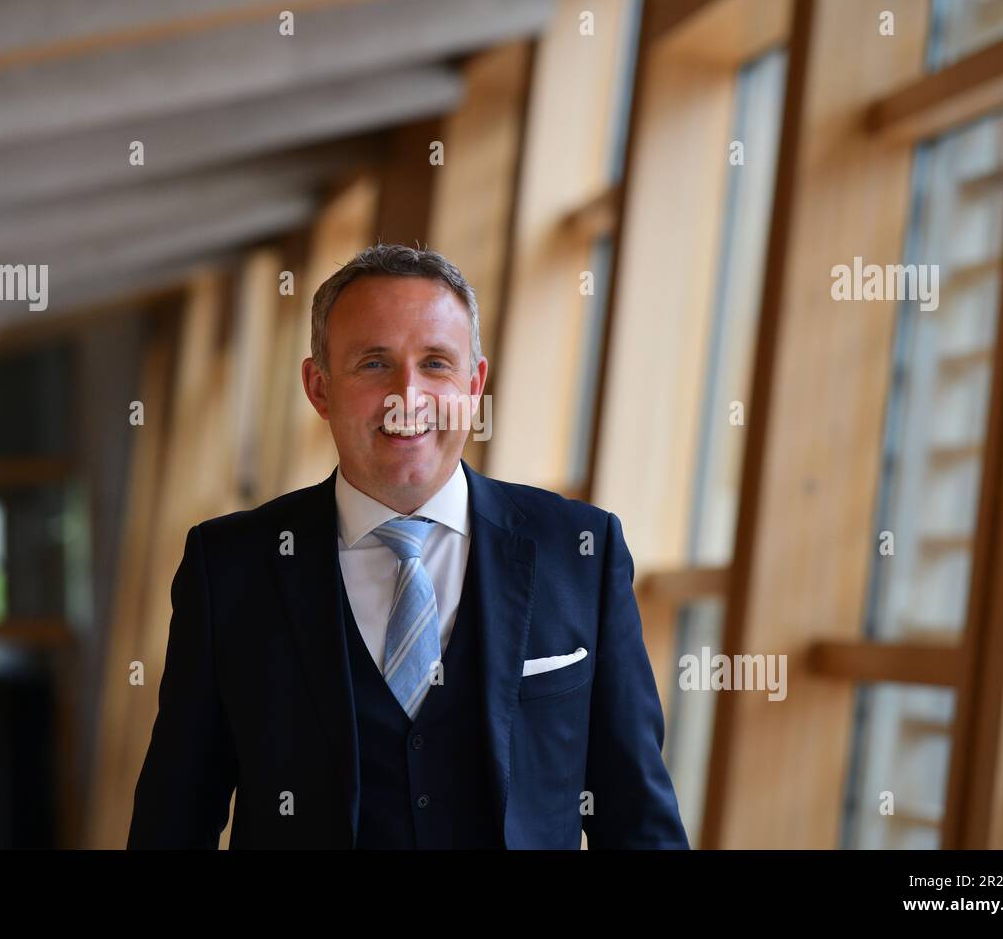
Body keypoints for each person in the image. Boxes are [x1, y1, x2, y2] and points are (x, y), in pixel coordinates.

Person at [127, 243, 689, 849]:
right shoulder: (231, 567)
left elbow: (637, 819)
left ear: (474, 384)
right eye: (374, 364)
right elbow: (174, 818)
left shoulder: (581, 551)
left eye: (437, 364)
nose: (407, 397)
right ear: (319, 388)